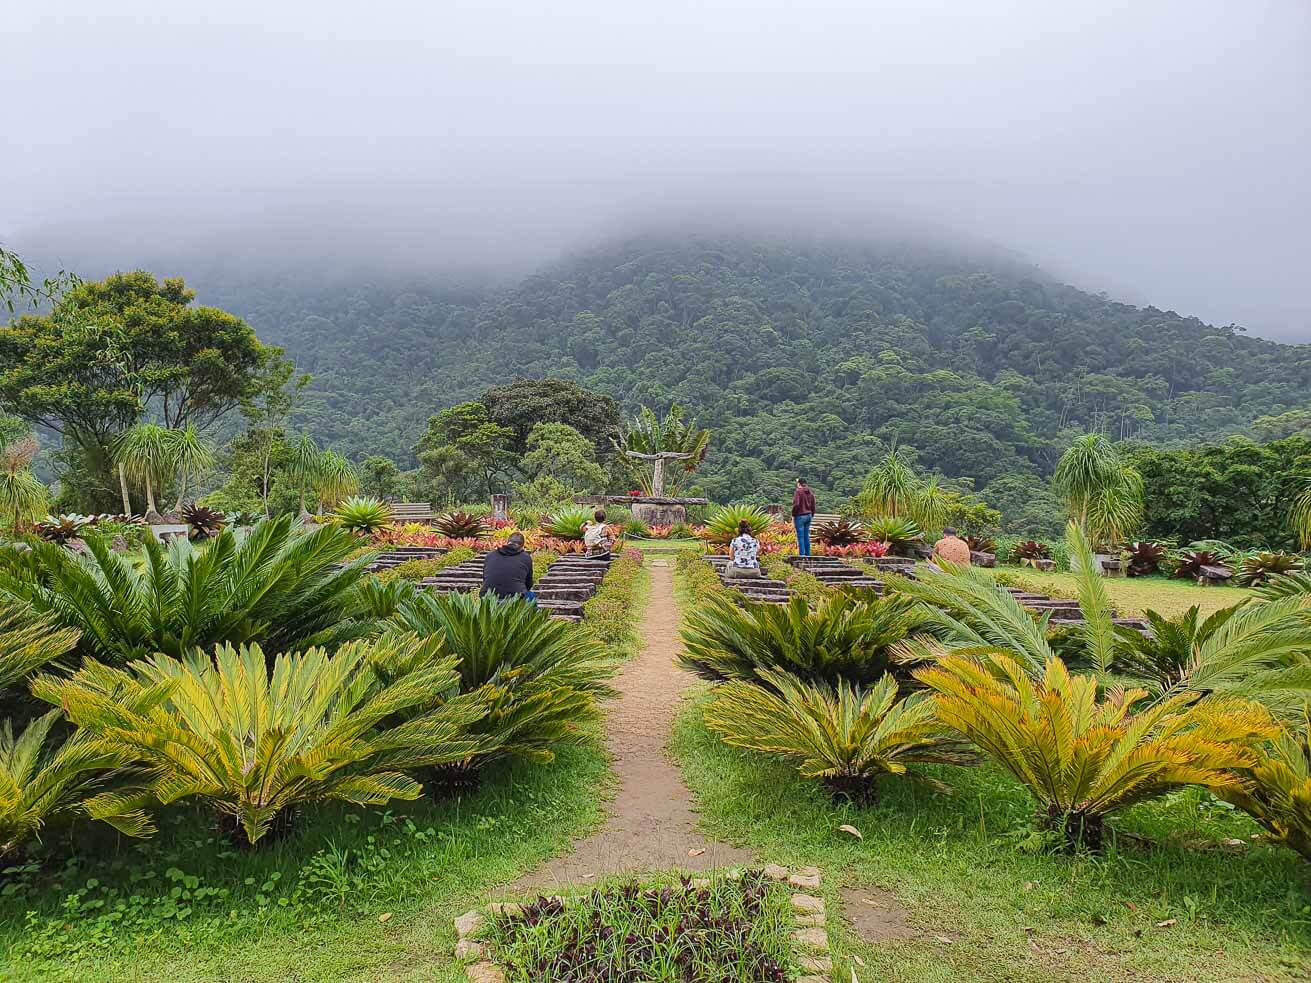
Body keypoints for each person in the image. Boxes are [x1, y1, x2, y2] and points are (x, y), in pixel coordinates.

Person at [482, 531, 536, 601]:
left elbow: (485, 578)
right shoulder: (525, 557)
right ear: (522, 546)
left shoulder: (491, 555)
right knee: (532, 597)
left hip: (487, 597)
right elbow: (528, 583)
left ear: (508, 542)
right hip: (514, 599)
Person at [791, 477, 816, 557]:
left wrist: (793, 514)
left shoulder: (798, 491)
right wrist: (811, 514)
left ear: (799, 483)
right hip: (808, 515)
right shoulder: (810, 492)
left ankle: (802, 555)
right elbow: (813, 505)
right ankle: (808, 554)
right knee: (806, 535)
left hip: (800, 516)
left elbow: (796, 504)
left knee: (800, 536)